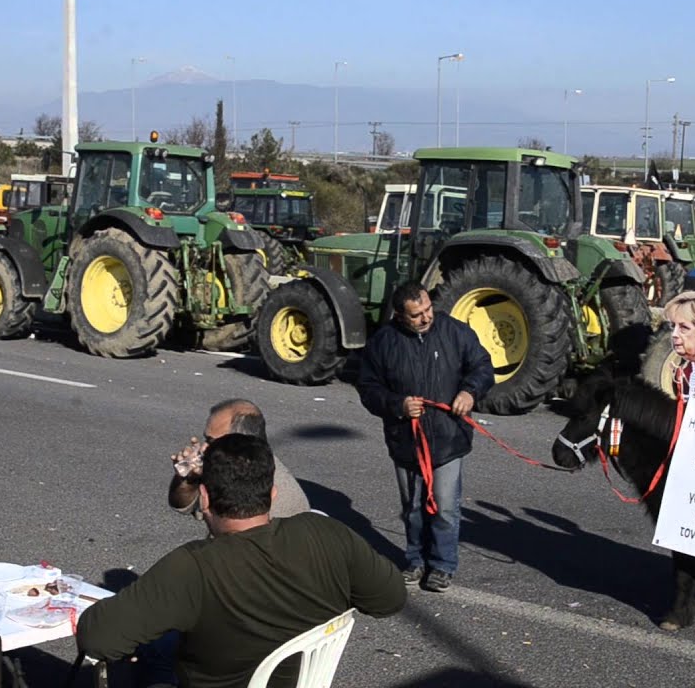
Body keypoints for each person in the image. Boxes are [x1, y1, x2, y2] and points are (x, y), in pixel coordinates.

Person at [78, 434, 406, 688]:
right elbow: (390, 598)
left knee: (150, 647)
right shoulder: (326, 531)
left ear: (204, 498)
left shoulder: (193, 568)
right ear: (273, 494)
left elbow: (96, 639)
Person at [357, 281, 494, 593]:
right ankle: (416, 560)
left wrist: (470, 392)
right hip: (405, 439)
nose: (425, 317)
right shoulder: (383, 343)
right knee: (413, 508)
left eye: (428, 309)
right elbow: (368, 388)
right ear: (400, 316)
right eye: (416, 315)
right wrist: (398, 405)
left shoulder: (455, 332)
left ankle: (443, 565)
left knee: (445, 506)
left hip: (448, 438)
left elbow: (483, 367)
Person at [168, 398, 310, 519]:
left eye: (211, 441)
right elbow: (184, 506)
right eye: (206, 439)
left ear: (240, 442)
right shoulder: (236, 465)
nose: (204, 448)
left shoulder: (258, 489)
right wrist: (187, 480)